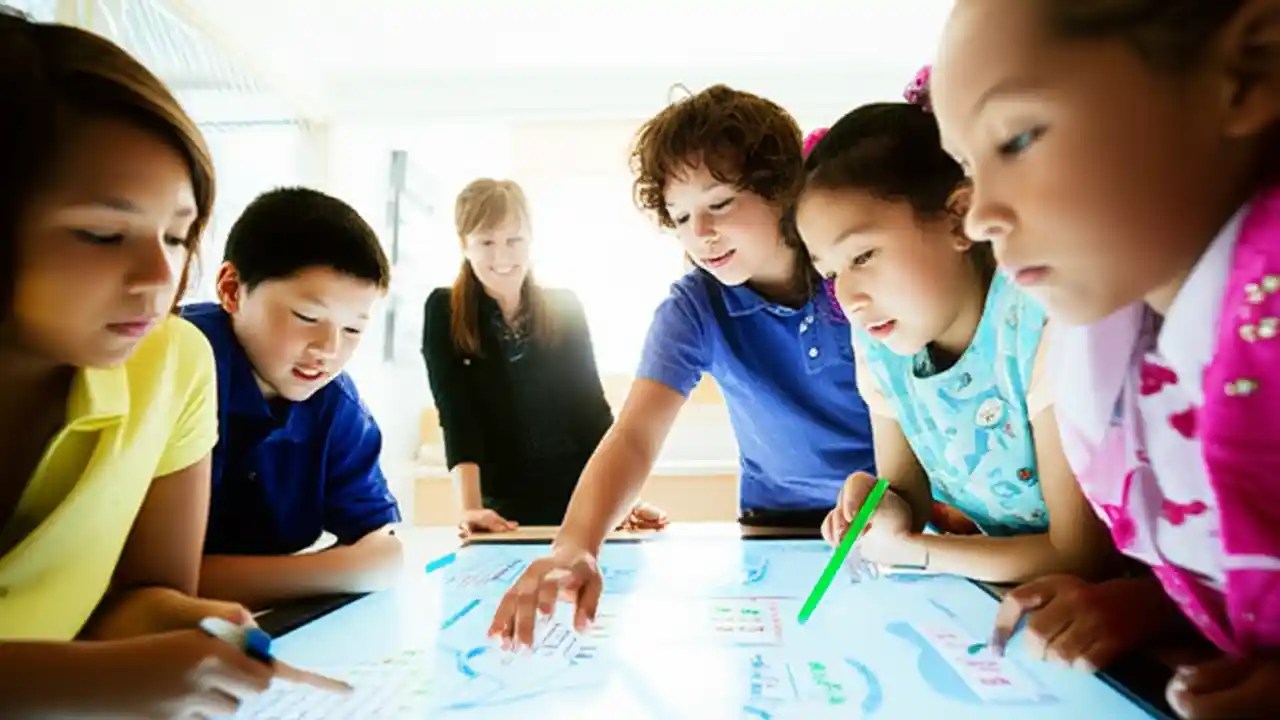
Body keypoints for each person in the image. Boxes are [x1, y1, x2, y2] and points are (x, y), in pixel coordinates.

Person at [931, 1, 1280, 717]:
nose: (978, 214)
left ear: (1246, 75)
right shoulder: (1142, 339)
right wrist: (1150, 602)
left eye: (1018, 137)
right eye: (968, 165)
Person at [0, 14, 341, 717]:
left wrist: (189, 628)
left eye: (179, 234)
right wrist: (93, 682)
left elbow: (135, 599)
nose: (161, 275)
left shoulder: (175, 364)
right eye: (101, 233)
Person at [488, 85, 877, 649]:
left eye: (720, 204)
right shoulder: (695, 306)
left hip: (887, 511)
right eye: (680, 216)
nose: (701, 234)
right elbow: (635, 435)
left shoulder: (853, 267)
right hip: (776, 524)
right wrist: (574, 545)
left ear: (781, 190)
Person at [798, 72, 1114, 584]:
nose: (849, 298)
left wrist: (913, 550)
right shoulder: (881, 339)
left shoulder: (1043, 319)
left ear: (959, 218)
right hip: (1016, 601)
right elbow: (907, 493)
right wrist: (881, 503)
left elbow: (1080, 555)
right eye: (831, 272)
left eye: (864, 255)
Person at [183, 187, 404, 609]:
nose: (328, 348)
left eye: (354, 329)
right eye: (307, 317)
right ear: (231, 290)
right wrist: (342, 569)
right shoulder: (174, 361)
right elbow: (146, 576)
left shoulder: (335, 405)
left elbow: (385, 552)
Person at [423, 178, 665, 536]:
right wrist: (470, 509)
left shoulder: (564, 306)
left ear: (531, 240)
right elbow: (458, 416)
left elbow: (591, 412)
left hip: (582, 495)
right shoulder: (444, 310)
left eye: (514, 240)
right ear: (464, 245)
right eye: (486, 242)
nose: (502, 256)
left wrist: (623, 499)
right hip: (503, 509)